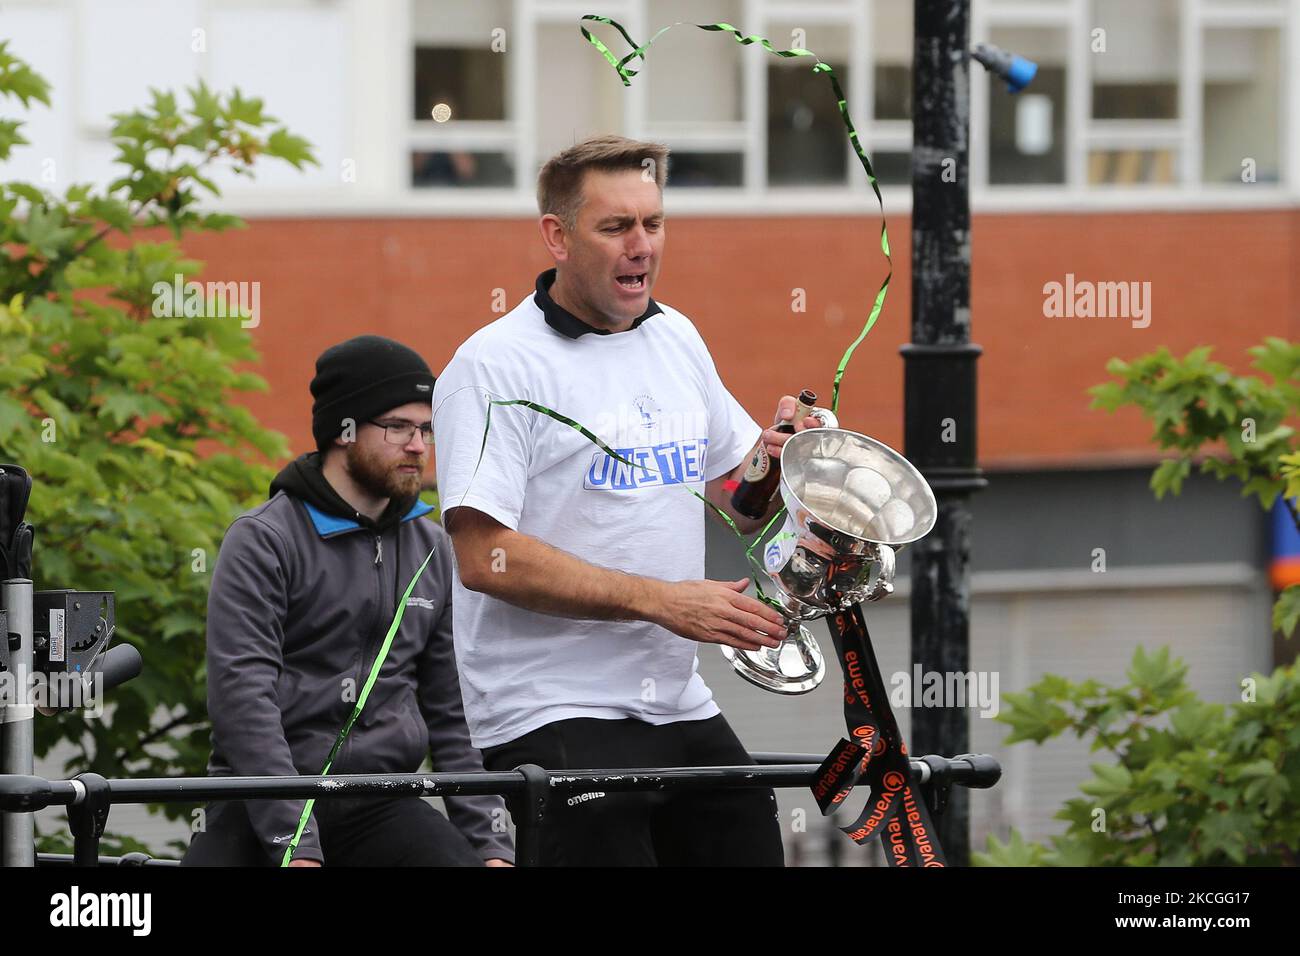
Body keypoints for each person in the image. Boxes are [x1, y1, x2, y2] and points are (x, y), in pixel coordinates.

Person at [431, 135, 823, 866]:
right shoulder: (491, 366)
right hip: (547, 706)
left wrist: (779, 457)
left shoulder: (676, 337)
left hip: (675, 697)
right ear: (558, 235)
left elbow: (739, 502)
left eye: (654, 223)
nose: (642, 245)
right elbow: (485, 559)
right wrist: (663, 601)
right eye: (616, 227)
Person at [184, 335, 513, 867]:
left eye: (426, 429)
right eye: (398, 427)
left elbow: (454, 712)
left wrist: (491, 845)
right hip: (264, 802)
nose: (418, 446)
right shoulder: (265, 539)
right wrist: (297, 846)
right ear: (343, 431)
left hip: (384, 805)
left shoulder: (433, 549)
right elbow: (243, 701)